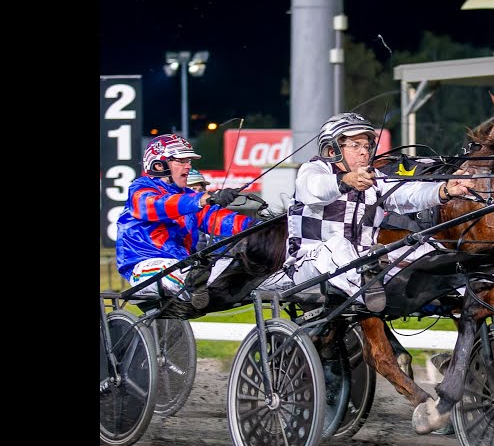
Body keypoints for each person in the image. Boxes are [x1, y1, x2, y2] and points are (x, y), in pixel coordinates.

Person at [268, 112, 470, 312]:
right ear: (332, 150)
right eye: (355, 146)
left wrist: (444, 190)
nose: (364, 152)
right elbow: (316, 188)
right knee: (337, 246)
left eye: (366, 146)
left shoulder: (375, 179)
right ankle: (370, 288)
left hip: (361, 263)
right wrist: (346, 181)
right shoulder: (313, 171)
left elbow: (408, 193)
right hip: (308, 267)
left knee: (427, 248)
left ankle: (474, 291)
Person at [115, 134, 256, 310]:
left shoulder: (187, 196)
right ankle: (195, 282)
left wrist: (256, 226)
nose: (188, 166)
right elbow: (157, 205)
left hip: (184, 266)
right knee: (184, 272)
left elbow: (219, 219)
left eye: (189, 161)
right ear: (159, 166)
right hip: (143, 266)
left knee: (241, 267)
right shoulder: (140, 189)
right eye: (181, 161)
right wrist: (203, 199)